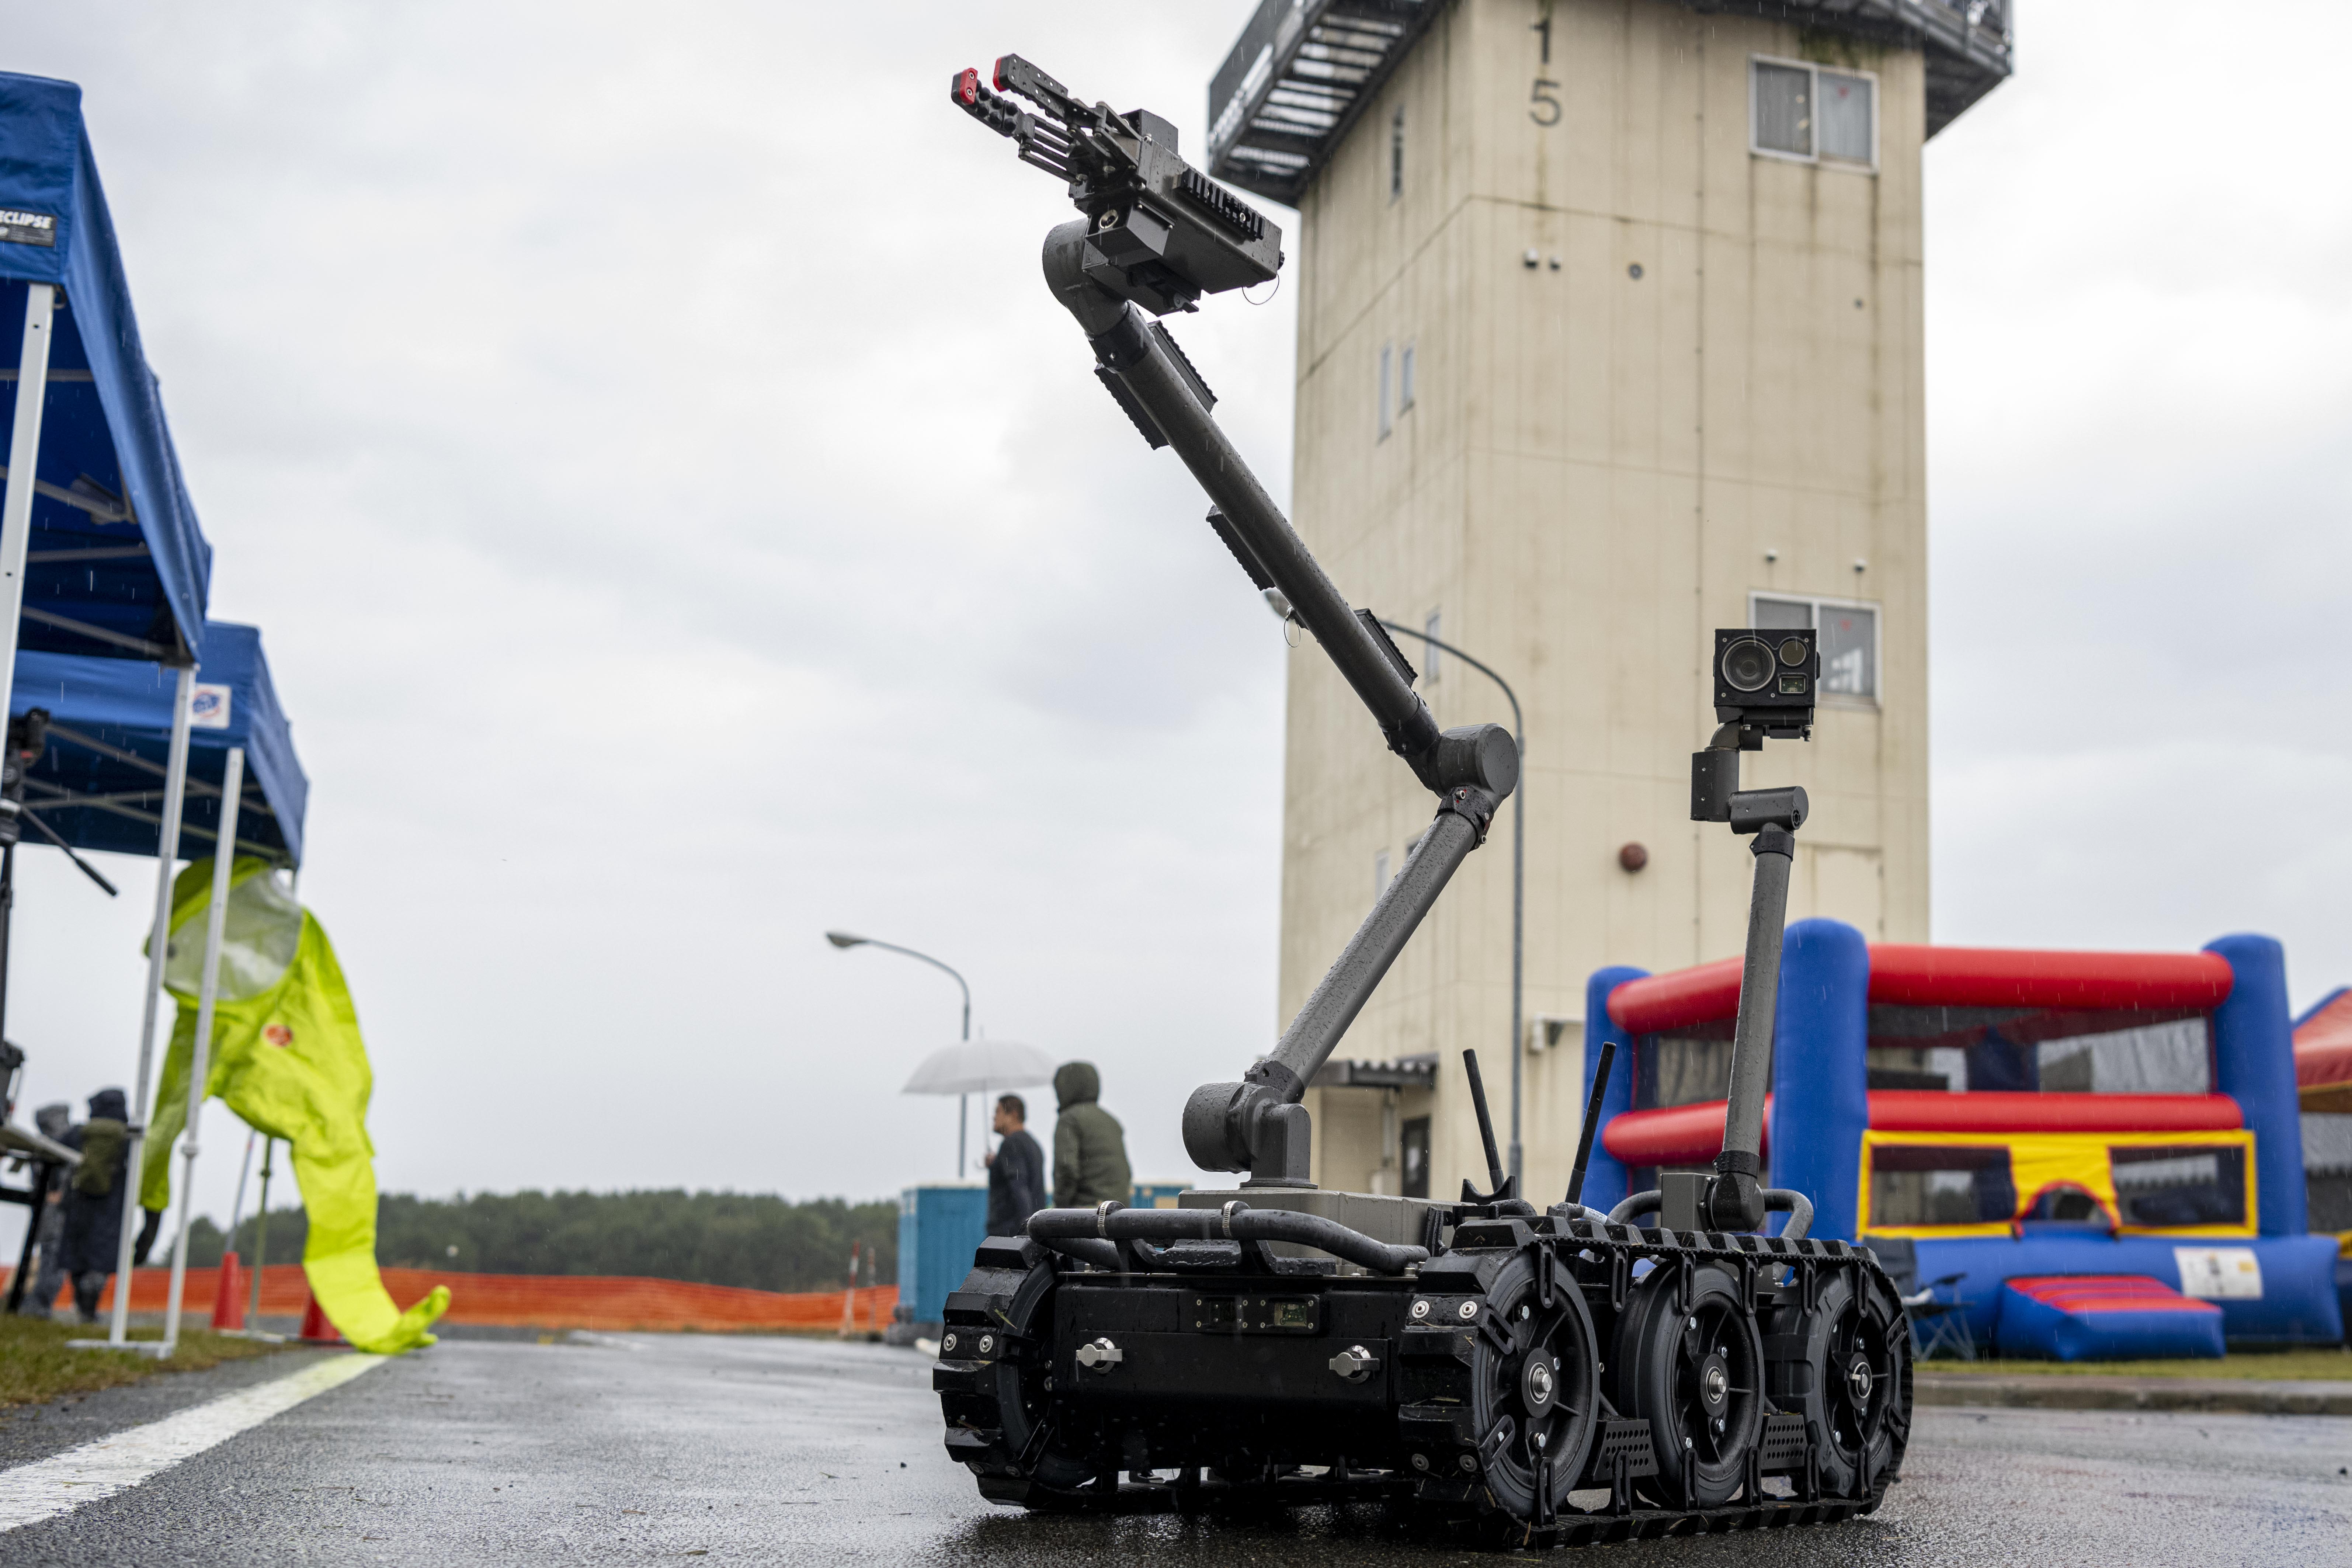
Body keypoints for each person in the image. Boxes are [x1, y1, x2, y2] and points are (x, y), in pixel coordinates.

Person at [57, 1088, 131, 1323]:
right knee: (100, 1261)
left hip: (79, 1203)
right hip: (112, 1208)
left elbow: (54, 1153)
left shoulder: (80, 1133)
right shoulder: (129, 1137)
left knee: (76, 1257)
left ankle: (81, 1308)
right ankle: (90, 1310)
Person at [16, 1103, 72, 1317]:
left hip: (50, 1209)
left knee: (51, 1254)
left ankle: (35, 1306)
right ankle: (37, 1306)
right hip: (56, 1209)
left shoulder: (45, 1144)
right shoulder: (66, 1143)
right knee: (53, 1255)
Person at [1051, 1062, 1130, 1209]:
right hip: (1118, 1212)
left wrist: (1060, 1207)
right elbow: (1125, 1172)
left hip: (1085, 1213)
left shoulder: (1069, 1119)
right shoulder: (1111, 1121)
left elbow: (1067, 1168)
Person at [982, 1094, 1047, 1236]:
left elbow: (1019, 1187)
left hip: (1009, 1233)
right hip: (1035, 1228)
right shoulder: (1033, 1145)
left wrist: (1025, 1229)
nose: (994, 1117)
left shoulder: (1010, 1144)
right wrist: (996, 1165)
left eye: (998, 1111)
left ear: (1013, 1115)